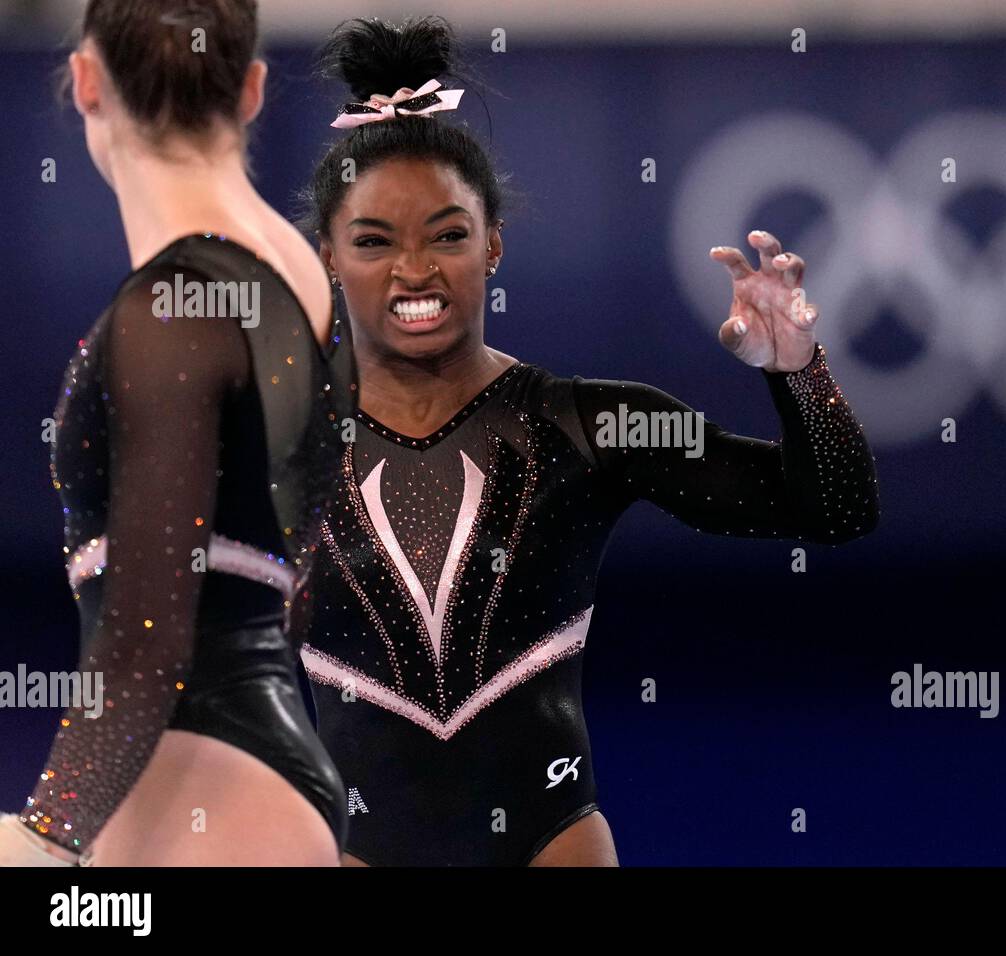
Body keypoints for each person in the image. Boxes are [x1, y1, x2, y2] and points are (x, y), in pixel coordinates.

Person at [299, 16, 880, 866]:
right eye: (374, 241)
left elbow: (835, 507)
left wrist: (796, 371)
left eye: (448, 235)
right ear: (328, 256)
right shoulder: (278, 440)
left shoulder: (592, 424)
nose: (414, 270)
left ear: (492, 245)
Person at [0, 0, 355, 867]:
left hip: (214, 803)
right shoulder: (298, 270)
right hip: (240, 787)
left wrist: (48, 842)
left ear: (86, 81)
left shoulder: (173, 306)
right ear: (253, 90)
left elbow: (144, 643)